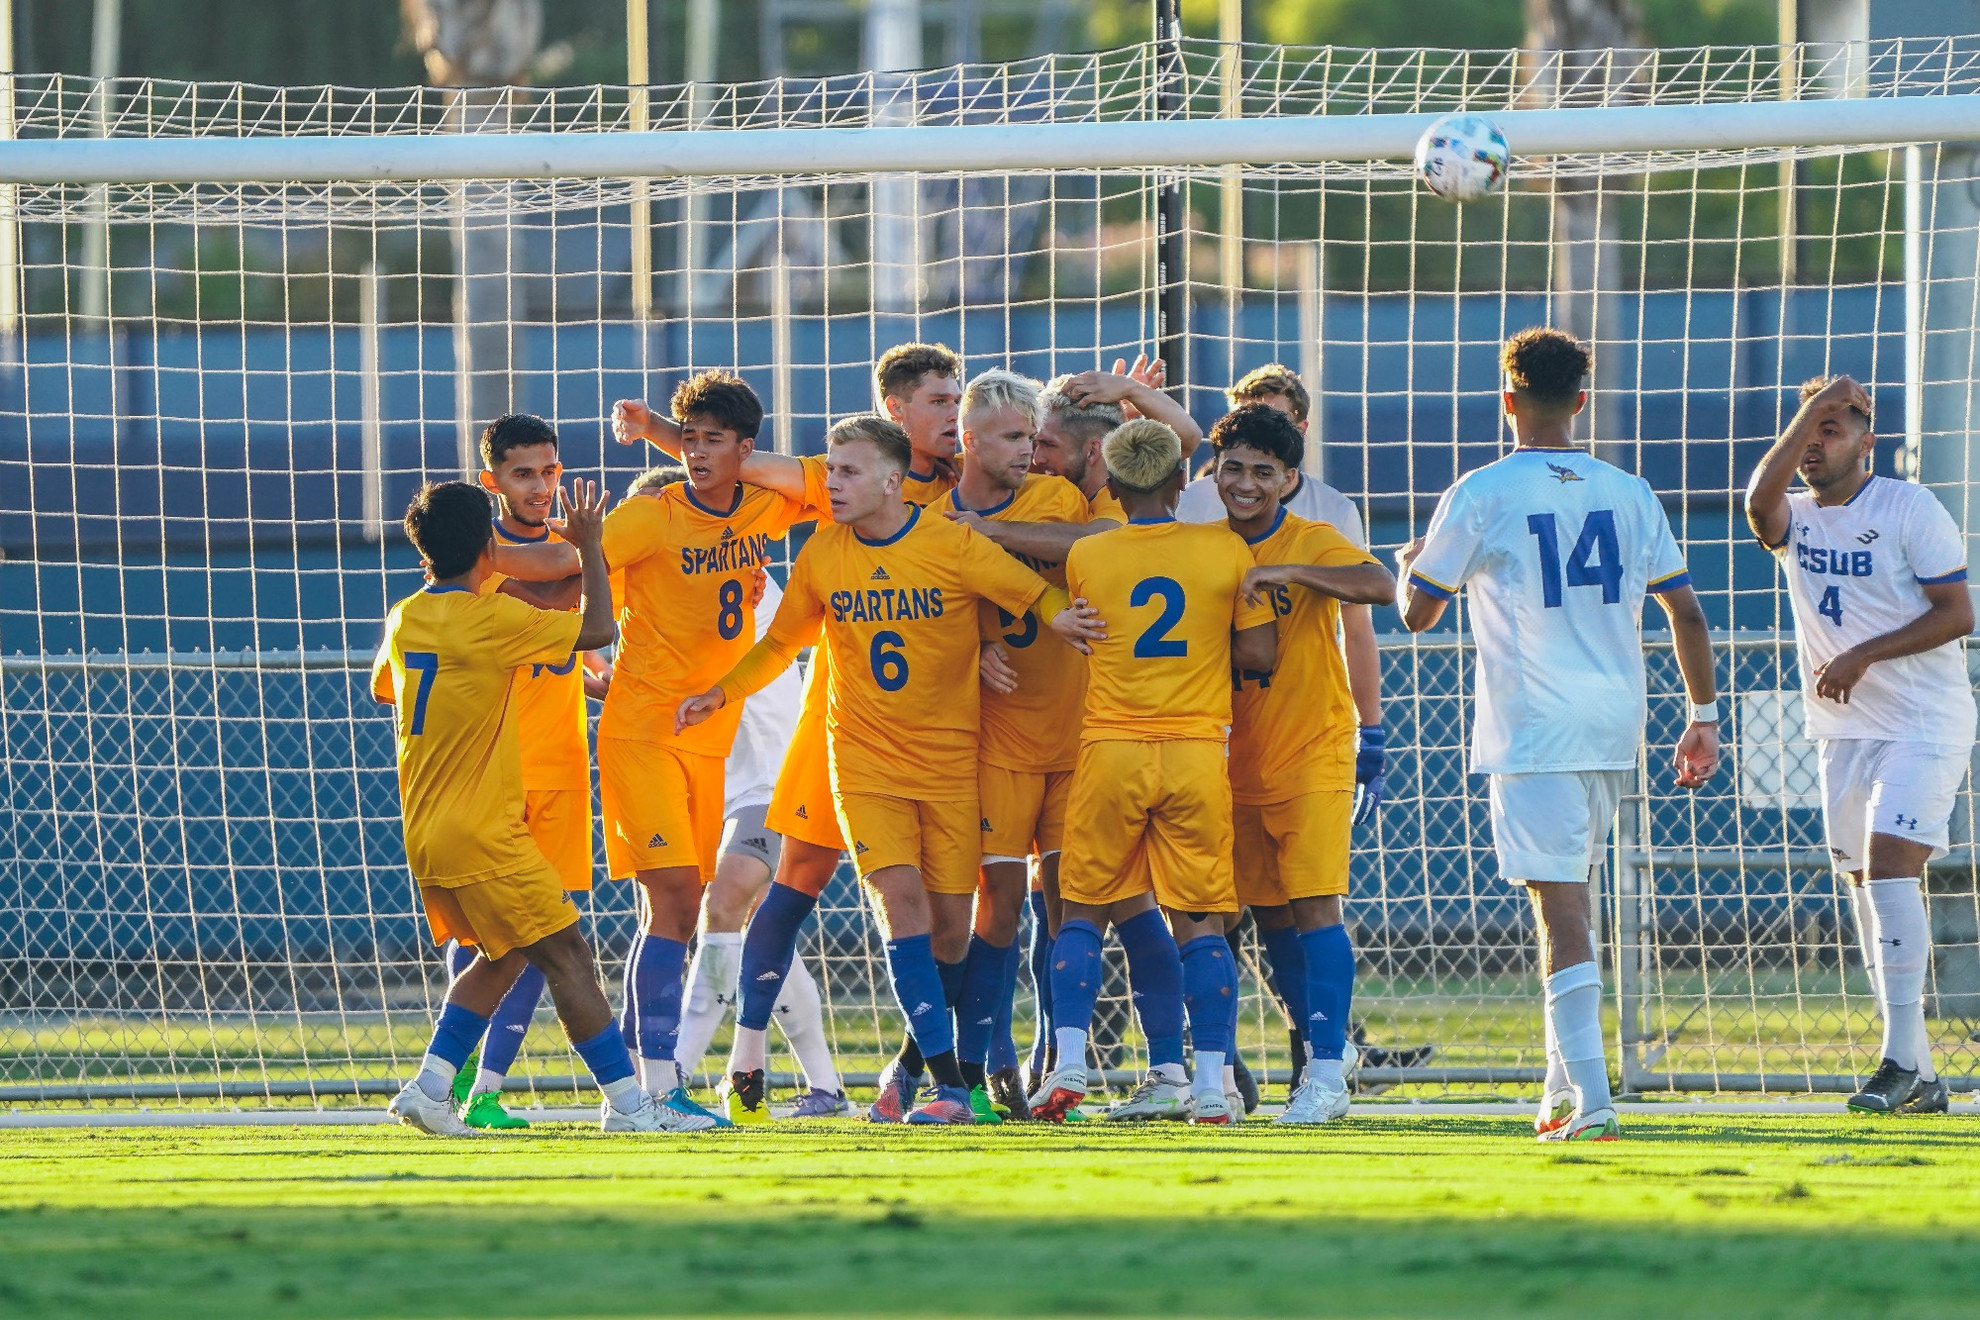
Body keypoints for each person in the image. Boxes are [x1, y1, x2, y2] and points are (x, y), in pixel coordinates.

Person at [677, 415, 1102, 1124]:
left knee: (950, 932)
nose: (832, 484)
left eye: (846, 472)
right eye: (830, 470)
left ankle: (932, 1074)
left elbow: (1033, 598)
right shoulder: (822, 554)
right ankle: (947, 1088)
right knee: (897, 907)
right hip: (863, 762)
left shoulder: (951, 543)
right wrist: (723, 691)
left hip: (950, 764)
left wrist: (1075, 627)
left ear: (890, 481)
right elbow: (782, 645)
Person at [1397, 327, 1721, 1143]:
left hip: (1535, 728)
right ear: (1581, 399)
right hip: (1616, 722)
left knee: (1561, 912)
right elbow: (1684, 608)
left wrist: (1412, 564)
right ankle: (1556, 1091)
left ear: (1506, 398)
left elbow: (1417, 612)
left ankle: (1598, 1101)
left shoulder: (1482, 490)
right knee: (1568, 899)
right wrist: (1704, 716)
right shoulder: (1628, 489)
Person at [509, 371, 827, 1128]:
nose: (696, 453)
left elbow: (812, 484)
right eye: (690, 439)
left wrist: (659, 425)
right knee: (680, 902)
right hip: (641, 733)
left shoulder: (765, 506)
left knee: (689, 913)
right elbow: (558, 565)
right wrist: (478, 560)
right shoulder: (649, 517)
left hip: (708, 741)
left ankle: (657, 1090)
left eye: (714, 440)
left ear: (744, 449)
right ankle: (649, 1092)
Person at [375, 478, 684, 1135]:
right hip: (484, 827)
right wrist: (591, 547)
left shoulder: (406, 617)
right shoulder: (487, 618)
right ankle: (631, 1109)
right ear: (489, 548)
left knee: (507, 954)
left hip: (428, 827)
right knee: (569, 954)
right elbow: (599, 628)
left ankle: (430, 1088)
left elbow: (385, 688)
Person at [1028, 418, 1279, 1126]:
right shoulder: (1224, 548)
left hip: (1111, 748)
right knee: (1200, 920)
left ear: (1109, 481)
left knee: (1080, 911)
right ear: (1179, 482)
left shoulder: (1091, 558)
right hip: (1197, 750)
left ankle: (1068, 1063)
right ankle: (1207, 1084)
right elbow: (1258, 656)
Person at [1744, 374, 1974, 1115]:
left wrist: (1862, 654)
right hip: (1842, 731)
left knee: (1889, 869)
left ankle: (1897, 1062)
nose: (1815, 443)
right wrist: (1809, 411)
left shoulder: (1909, 507)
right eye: (1807, 429)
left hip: (1922, 721)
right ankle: (1921, 1074)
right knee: (1866, 892)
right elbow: (1757, 506)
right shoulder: (1795, 517)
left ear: (1868, 442)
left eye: (1833, 430)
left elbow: (1957, 612)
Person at [604, 465, 855, 1123]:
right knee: (753, 930)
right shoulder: (667, 596)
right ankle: (820, 1085)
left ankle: (674, 1068)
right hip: (716, 771)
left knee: (723, 902)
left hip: (774, 777)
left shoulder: (739, 583)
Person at [1201, 405, 1397, 1124]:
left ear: (1288, 479)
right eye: (1233, 468)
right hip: (1229, 758)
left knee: (1317, 906)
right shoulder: (1200, 546)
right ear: (1213, 473)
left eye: (1262, 471)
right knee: (1262, 915)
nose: (1245, 483)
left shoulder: (1313, 537)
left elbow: (1382, 586)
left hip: (1313, 750)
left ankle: (1323, 1073)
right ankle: (1311, 1057)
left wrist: (1287, 570)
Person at [410, 415, 600, 1131]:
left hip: (560, 761)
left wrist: (588, 681)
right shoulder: (476, 566)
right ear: (492, 484)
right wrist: (593, 554)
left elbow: (547, 643)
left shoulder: (552, 551)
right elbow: (556, 593)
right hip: (493, 775)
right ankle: (448, 1083)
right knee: (499, 944)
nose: (543, 486)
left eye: (551, 471)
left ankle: (478, 1088)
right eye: (525, 473)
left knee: (532, 945)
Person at [944, 368, 1091, 1122]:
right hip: (997, 745)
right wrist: (972, 648)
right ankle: (982, 1061)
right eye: (1010, 437)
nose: (1027, 450)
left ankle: (1062, 1061)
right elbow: (925, 608)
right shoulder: (935, 516)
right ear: (969, 440)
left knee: (1070, 906)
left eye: (1031, 436)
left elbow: (1090, 543)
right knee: (996, 909)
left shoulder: (1055, 499)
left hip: (1075, 738)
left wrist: (995, 534)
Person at [875, 341, 966, 504]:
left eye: (957, 402)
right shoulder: (842, 471)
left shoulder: (970, 475)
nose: (956, 415)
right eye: (939, 401)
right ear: (896, 408)